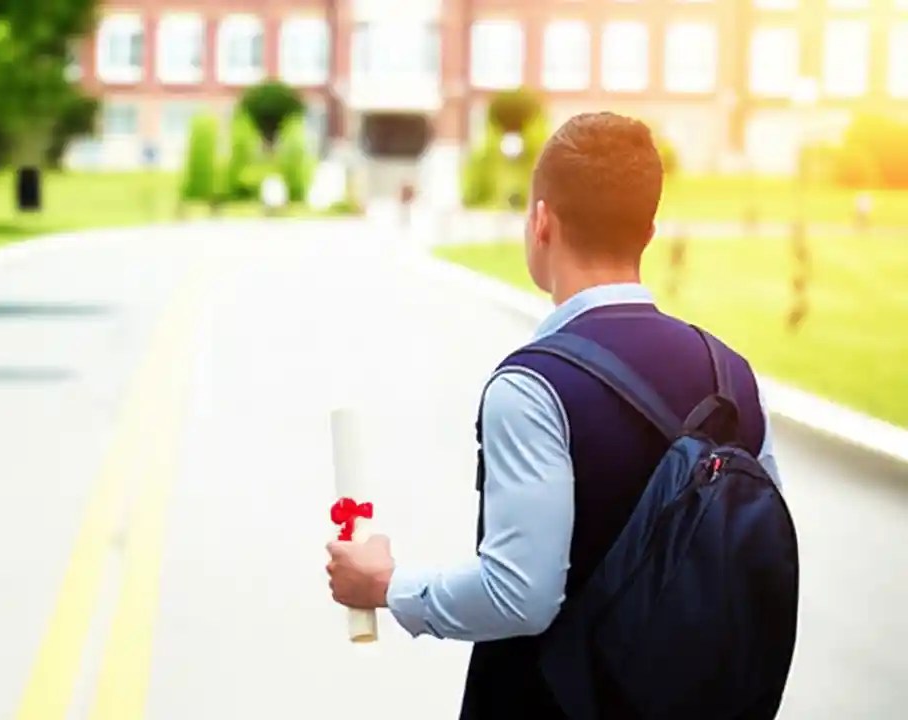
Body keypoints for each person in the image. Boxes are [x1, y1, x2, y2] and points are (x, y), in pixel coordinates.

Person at [325, 112, 789, 718]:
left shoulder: (532, 386)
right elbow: (757, 567)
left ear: (541, 222)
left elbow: (521, 595)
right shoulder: (733, 376)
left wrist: (385, 585)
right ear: (648, 231)